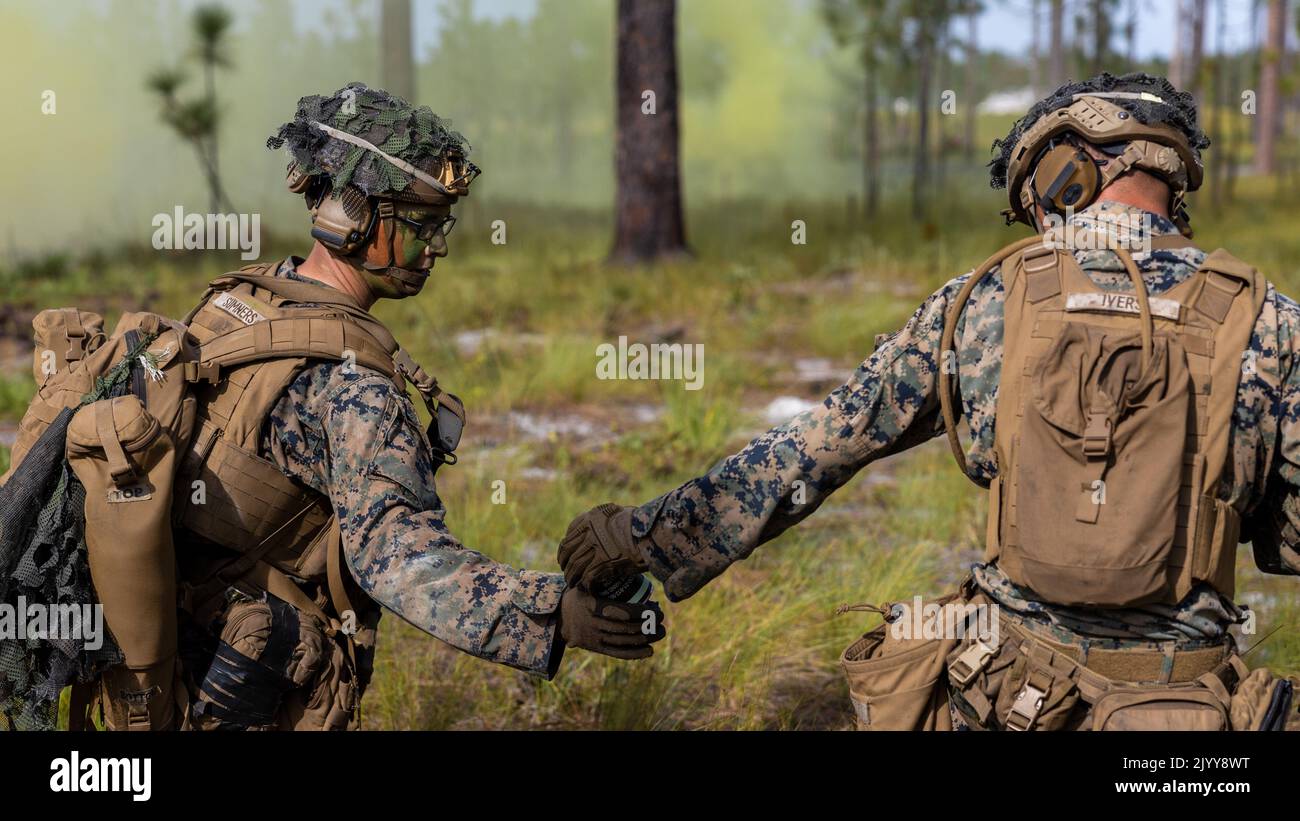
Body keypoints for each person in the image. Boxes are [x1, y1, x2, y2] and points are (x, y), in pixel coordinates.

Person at [557, 72, 1299, 731]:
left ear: (1065, 169)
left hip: (1008, 697)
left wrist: (640, 535)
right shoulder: (1269, 322)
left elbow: (812, 450)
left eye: (1033, 193)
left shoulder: (983, 302)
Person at [166, 82, 663, 730]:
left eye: (441, 224)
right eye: (420, 225)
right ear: (351, 215)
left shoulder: (232, 304)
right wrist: (553, 613)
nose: (438, 247)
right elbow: (399, 558)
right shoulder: (356, 390)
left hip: (158, 674)